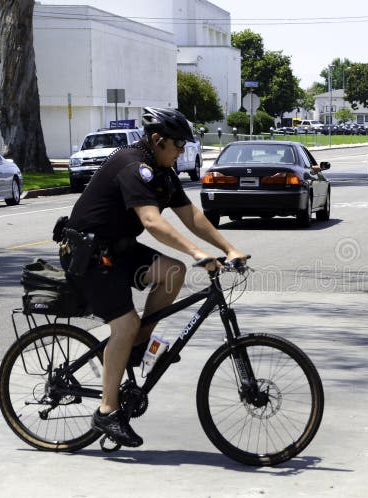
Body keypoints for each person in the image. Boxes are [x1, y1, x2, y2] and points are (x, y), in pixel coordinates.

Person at [59, 107, 247, 447]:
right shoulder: (135, 167)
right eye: (177, 145)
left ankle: (135, 347)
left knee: (172, 273)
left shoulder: (162, 171)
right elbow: (152, 223)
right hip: (87, 255)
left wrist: (228, 248)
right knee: (125, 324)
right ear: (158, 140)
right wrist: (197, 253)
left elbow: (190, 216)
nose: (181, 152)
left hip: (116, 250)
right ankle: (106, 411)